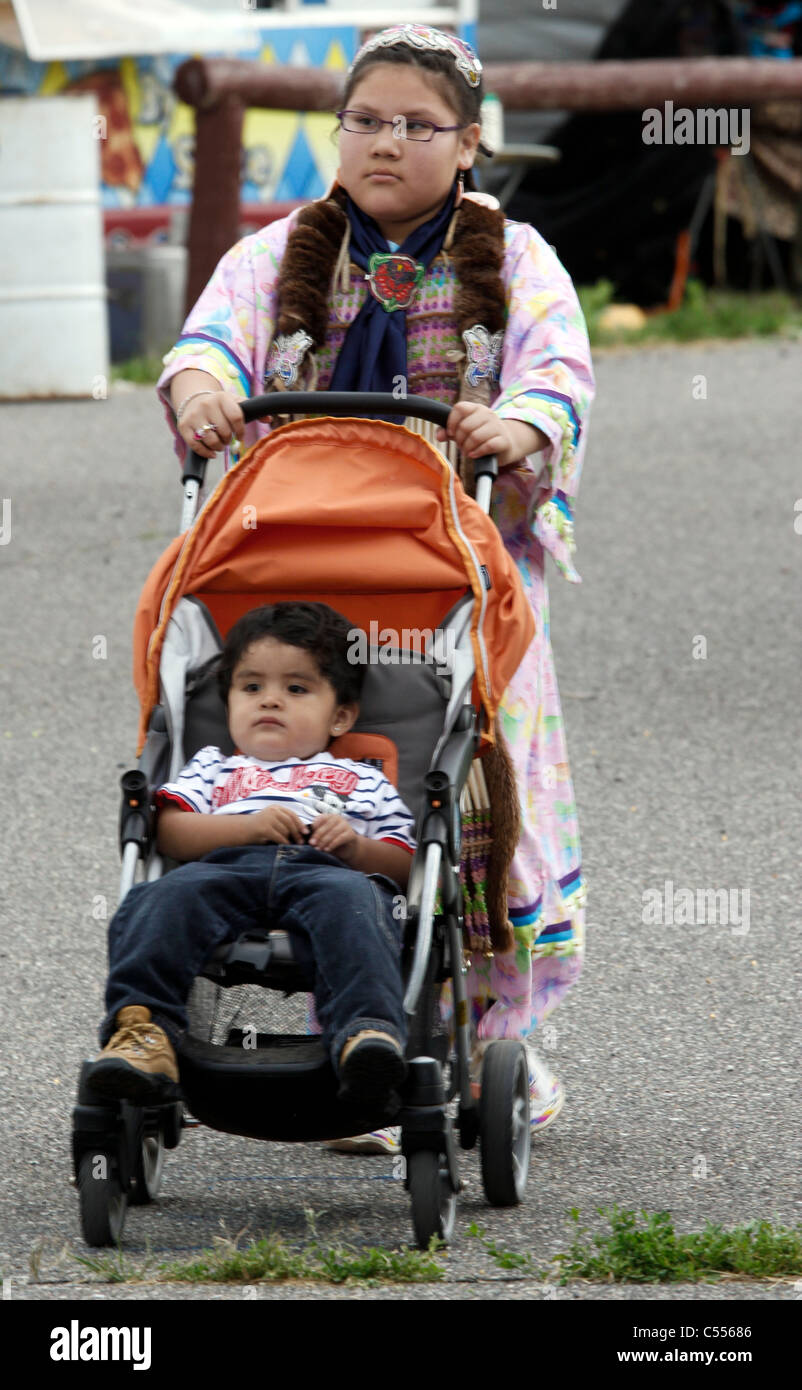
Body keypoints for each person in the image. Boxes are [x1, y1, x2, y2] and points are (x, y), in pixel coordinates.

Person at [156, 23, 595, 1146]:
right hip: (299, 573)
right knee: (291, 770)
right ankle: (331, 1017)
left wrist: (517, 422)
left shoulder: (517, 258)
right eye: (365, 121)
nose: (385, 143)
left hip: (456, 573)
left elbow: (559, 376)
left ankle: (489, 1033)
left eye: (416, 125)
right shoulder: (275, 256)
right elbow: (206, 342)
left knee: (472, 792)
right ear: (336, 133)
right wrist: (205, 386)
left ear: (468, 143)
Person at [86, 602, 415, 1110]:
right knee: (158, 898)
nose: (272, 701)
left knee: (361, 904)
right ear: (229, 702)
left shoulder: (362, 778)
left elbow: (408, 864)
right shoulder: (214, 768)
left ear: (341, 715)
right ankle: (144, 1033)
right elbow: (169, 831)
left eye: (297, 689)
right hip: (222, 870)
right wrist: (244, 827)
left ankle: (366, 1035)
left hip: (327, 873)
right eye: (252, 687)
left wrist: (355, 848)